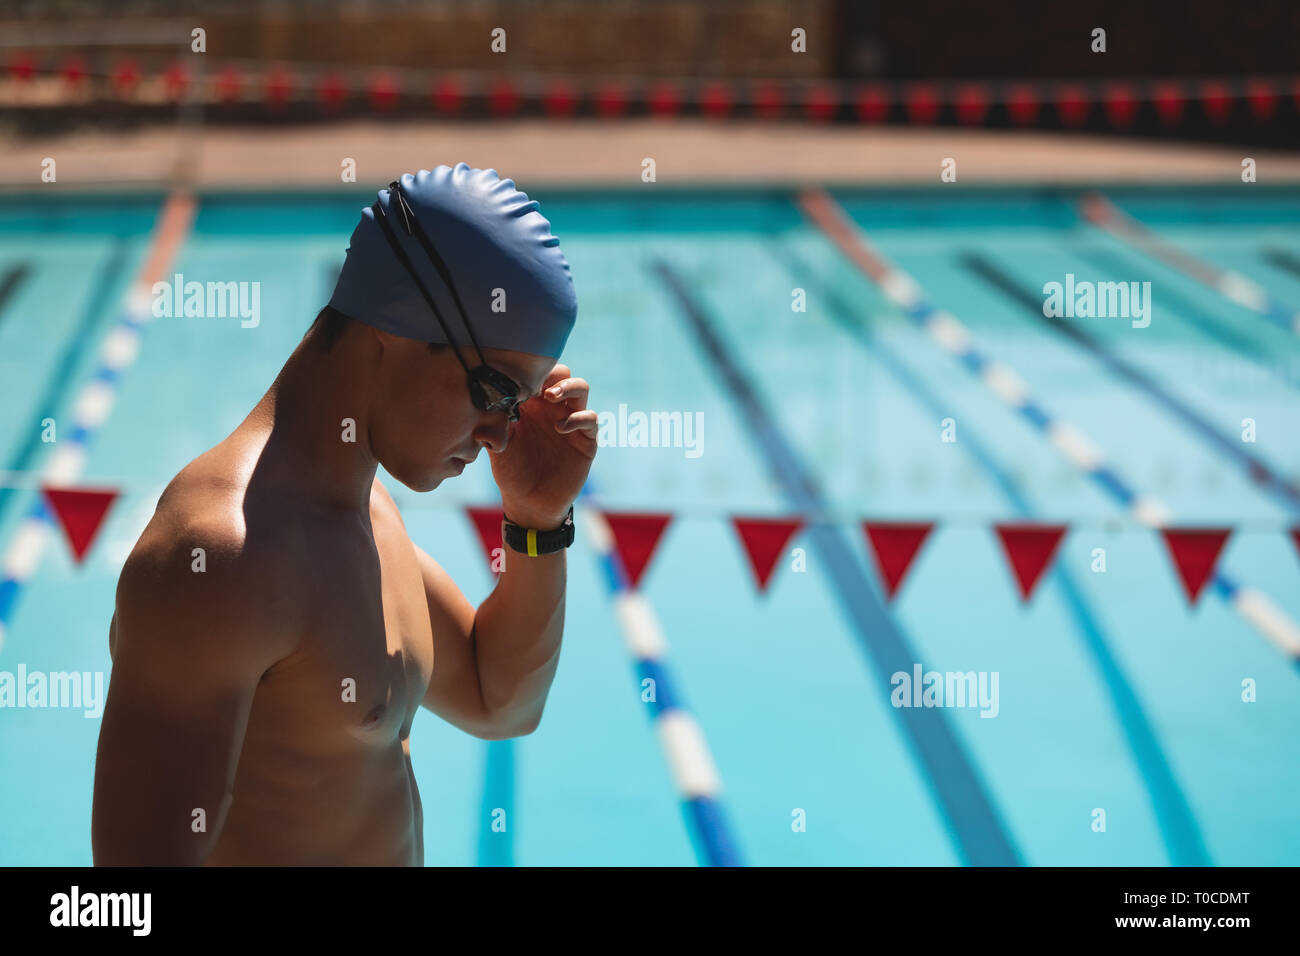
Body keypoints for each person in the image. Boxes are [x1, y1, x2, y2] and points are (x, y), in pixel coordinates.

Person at [91, 164, 596, 865]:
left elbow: (498, 700)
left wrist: (538, 521)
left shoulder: (366, 512)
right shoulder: (223, 558)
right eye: (493, 390)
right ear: (390, 326)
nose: (501, 433)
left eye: (517, 405)